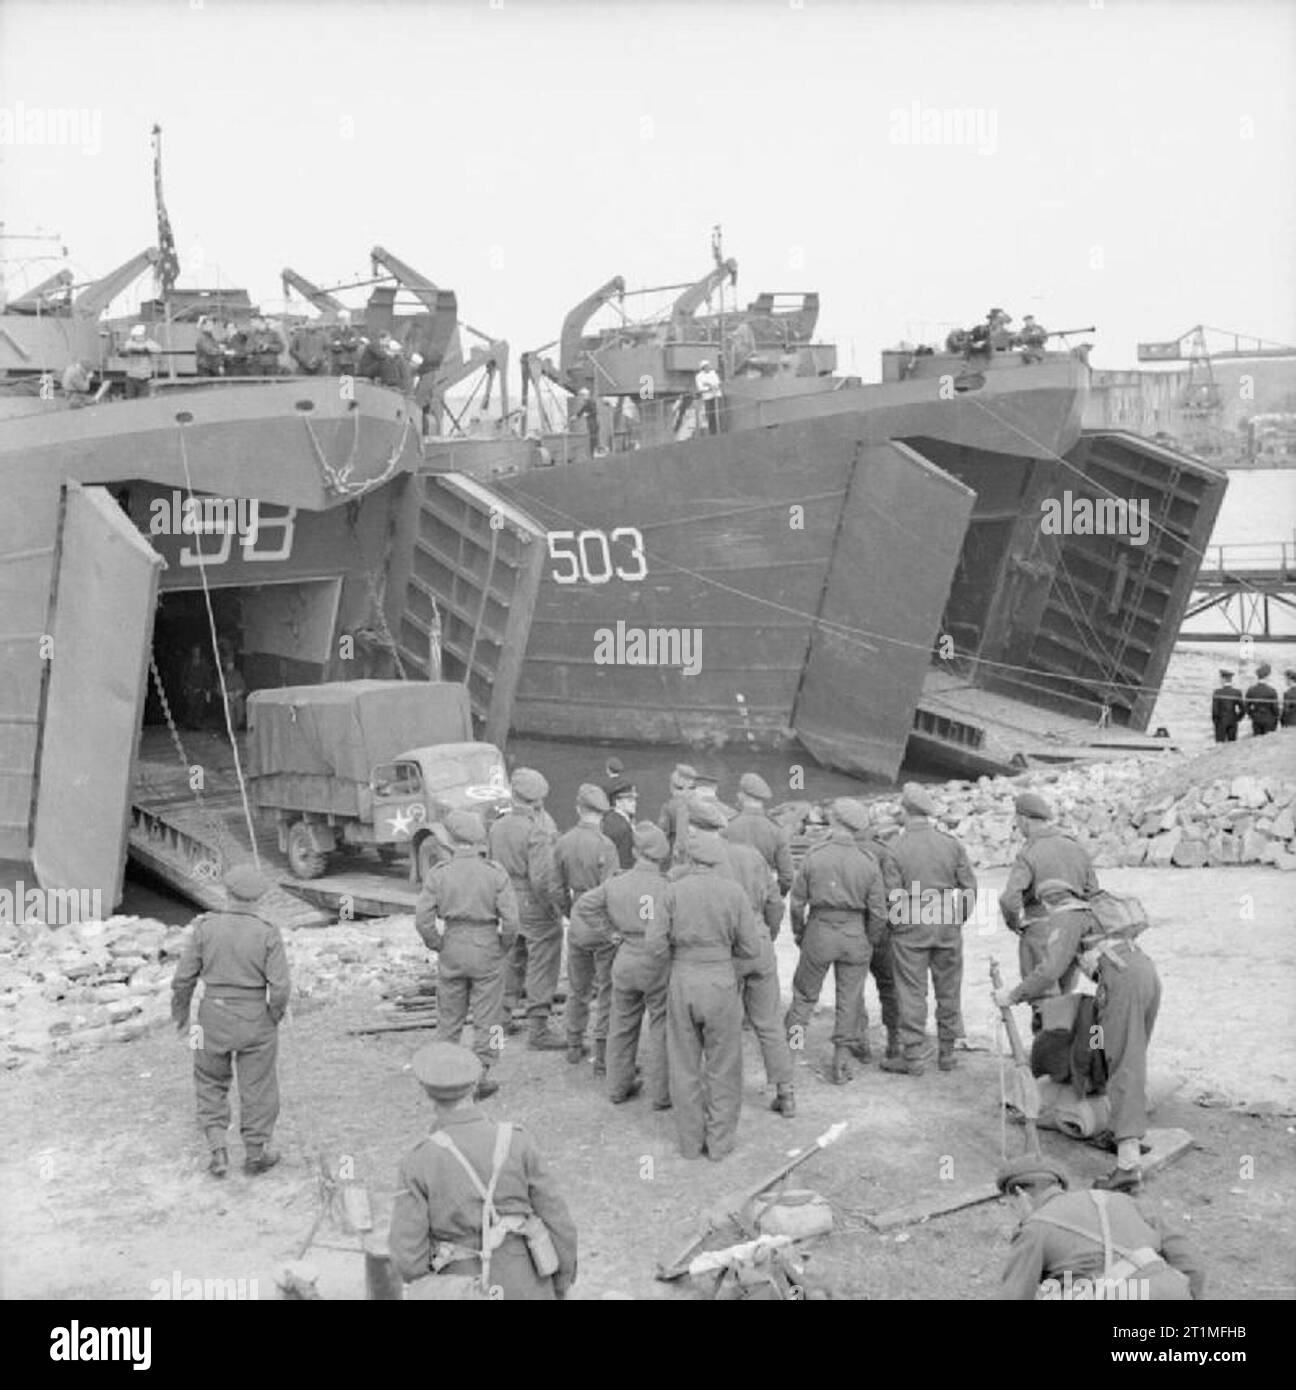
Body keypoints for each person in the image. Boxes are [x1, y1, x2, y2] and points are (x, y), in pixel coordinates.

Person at [994, 879, 1161, 1191]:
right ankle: (1121, 1133)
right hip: (1144, 973)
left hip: (1121, 983)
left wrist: (1013, 995)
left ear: (1045, 903)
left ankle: (1127, 1167)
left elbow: (1050, 970)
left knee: (1124, 1063)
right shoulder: (1088, 913)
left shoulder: (1065, 918)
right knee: (1126, 1059)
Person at [388, 1042, 578, 1300]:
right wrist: (560, 1282)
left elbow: (409, 1258)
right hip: (527, 1282)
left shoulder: (418, 1160)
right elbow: (559, 1223)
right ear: (477, 1086)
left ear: (425, 1092)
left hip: (460, 1288)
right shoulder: (518, 1141)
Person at [647, 833, 765, 1160]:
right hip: (721, 981)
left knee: (684, 1064)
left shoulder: (672, 892)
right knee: (723, 1064)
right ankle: (719, 1143)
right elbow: (751, 948)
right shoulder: (734, 893)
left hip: (683, 978)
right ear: (716, 862)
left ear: (690, 860)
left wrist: (678, 955)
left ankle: (689, 1143)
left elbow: (654, 944)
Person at [170, 863, 291, 1177]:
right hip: (255, 1018)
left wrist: (181, 1017)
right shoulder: (267, 932)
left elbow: (183, 980)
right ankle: (255, 1152)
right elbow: (280, 987)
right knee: (259, 1086)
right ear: (259, 898)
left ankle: (218, 1151)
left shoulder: (205, 928)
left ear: (226, 893)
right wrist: (273, 1016)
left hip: (211, 1015)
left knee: (209, 1080)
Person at [685, 798, 796, 1117]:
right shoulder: (752, 856)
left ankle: (722, 1094)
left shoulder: (696, 862)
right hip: (759, 944)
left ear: (695, 829)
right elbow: (775, 903)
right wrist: (766, 936)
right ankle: (786, 1092)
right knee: (769, 1021)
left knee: (723, 1025)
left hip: (724, 951)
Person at [415, 810, 519, 1100]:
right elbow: (511, 921)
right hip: (487, 945)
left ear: (450, 838)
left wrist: (437, 943)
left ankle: (443, 1073)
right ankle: (484, 1070)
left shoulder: (439, 873)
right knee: (491, 1017)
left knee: (449, 1017)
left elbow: (422, 919)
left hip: (452, 943)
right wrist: (503, 945)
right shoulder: (494, 873)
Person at [996, 1154, 1203, 1300]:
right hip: (1173, 1290)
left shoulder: (1035, 1228)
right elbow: (1189, 1259)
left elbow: (1014, 1295)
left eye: (1012, 1205)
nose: (1016, 1214)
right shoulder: (1122, 1200)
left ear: (1022, 1195)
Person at [784, 798, 887, 1085]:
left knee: (803, 997)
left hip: (819, 930)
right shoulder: (867, 861)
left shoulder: (815, 855)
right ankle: (840, 1064)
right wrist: (870, 940)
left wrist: (800, 933)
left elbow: (796, 903)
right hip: (855, 935)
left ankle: (790, 1059)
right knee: (849, 1000)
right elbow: (879, 911)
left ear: (834, 821)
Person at [571, 823, 672, 1107]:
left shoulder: (615, 883)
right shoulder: (668, 886)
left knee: (622, 1025)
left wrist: (610, 932)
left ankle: (617, 1087)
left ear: (634, 851)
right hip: (658, 961)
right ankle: (661, 1094)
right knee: (661, 1026)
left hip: (626, 957)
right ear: (662, 855)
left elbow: (583, 907)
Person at [883, 784, 977, 1076]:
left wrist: (899, 925)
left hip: (911, 925)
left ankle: (913, 1056)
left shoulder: (895, 847)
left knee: (911, 992)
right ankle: (947, 1053)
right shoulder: (950, 844)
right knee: (949, 990)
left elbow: (891, 895)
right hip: (946, 923)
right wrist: (956, 918)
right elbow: (970, 888)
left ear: (906, 810)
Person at [489, 768, 567, 1051]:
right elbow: (541, 879)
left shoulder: (497, 826)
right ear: (538, 800)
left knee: (511, 958)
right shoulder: (537, 829)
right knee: (542, 962)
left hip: (506, 899)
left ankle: (502, 1019)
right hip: (533, 902)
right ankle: (539, 1029)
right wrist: (554, 908)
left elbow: (492, 866)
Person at [998, 791, 1098, 1003]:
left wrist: (1016, 924)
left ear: (1024, 820)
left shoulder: (1029, 851)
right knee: (1065, 1005)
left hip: (1040, 932)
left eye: (1017, 821)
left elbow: (1009, 900)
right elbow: (1094, 894)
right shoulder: (1075, 847)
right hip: (1073, 934)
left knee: (1043, 1006)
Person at [553, 784, 619, 1071]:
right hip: (603, 920)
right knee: (607, 989)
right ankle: (602, 1051)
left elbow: (555, 888)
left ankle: (573, 1043)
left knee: (577, 988)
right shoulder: (606, 845)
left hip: (578, 918)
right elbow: (612, 890)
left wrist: (571, 912)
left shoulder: (563, 842)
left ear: (579, 809)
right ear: (602, 815)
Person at [850, 807, 905, 1064]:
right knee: (890, 987)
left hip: (851, 929)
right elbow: (895, 894)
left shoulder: (841, 850)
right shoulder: (884, 851)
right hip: (882, 930)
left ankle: (860, 1042)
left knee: (853, 986)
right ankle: (895, 1041)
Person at [723, 772, 794, 899]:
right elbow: (787, 876)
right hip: (762, 896)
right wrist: (775, 896)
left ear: (743, 796)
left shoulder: (728, 827)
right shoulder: (776, 830)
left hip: (732, 897)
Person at [658, 762, 699, 866]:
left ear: (672, 786)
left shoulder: (669, 806)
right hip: (699, 852)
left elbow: (663, 834)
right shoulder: (701, 805)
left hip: (678, 854)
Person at [602, 777, 637, 870]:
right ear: (617, 802)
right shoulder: (623, 827)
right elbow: (625, 861)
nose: (634, 803)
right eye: (629, 800)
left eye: (634, 800)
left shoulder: (609, 818)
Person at [120, 322, 161, 398]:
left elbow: (158, 349)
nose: (139, 337)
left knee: (143, 401)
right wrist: (141, 349)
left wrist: (146, 348)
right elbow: (128, 347)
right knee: (130, 400)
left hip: (144, 378)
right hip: (132, 377)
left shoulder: (149, 342)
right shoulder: (129, 342)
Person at [180, 643, 215, 729]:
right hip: (190, 688)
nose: (196, 653)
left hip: (201, 688)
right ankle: (189, 723)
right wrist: (184, 687)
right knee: (190, 705)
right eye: (195, 651)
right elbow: (183, 676)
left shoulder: (204, 663)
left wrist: (207, 689)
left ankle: (197, 723)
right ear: (192, 652)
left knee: (200, 706)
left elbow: (208, 677)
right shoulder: (188, 663)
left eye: (198, 651)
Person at [217, 643, 248, 732]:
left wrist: (239, 692)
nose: (231, 665)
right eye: (229, 664)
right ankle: (231, 729)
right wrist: (227, 694)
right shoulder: (223, 676)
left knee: (240, 708)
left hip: (237, 697)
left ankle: (238, 724)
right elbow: (218, 689)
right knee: (229, 713)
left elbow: (244, 687)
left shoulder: (237, 674)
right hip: (228, 699)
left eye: (232, 664)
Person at [1244, 662, 1280, 736]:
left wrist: (1252, 715)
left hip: (1256, 719)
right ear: (1267, 677)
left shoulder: (1251, 690)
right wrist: (1276, 717)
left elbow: (1246, 707)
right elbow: (1275, 708)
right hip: (1269, 719)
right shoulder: (1271, 691)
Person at [1210, 668, 1245, 742]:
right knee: (1232, 744)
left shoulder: (1217, 692)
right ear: (1231, 680)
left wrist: (1215, 722)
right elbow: (1243, 709)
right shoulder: (1237, 692)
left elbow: (1215, 710)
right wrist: (1237, 718)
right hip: (1232, 720)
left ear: (1223, 679)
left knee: (1220, 744)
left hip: (1221, 721)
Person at [327, 308, 363, 376]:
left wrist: (340, 342)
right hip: (337, 362)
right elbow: (331, 346)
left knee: (350, 383)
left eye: (348, 319)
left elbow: (355, 344)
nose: (348, 321)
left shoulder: (354, 331)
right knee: (334, 382)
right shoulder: (333, 332)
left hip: (350, 362)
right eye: (344, 319)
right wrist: (348, 343)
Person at [695, 358, 722, 435]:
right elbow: (700, 388)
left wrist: (708, 384)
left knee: (719, 414)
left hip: (716, 395)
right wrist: (709, 387)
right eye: (706, 366)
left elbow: (717, 383)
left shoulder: (713, 373)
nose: (708, 367)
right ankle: (712, 432)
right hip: (707, 397)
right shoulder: (699, 376)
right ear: (703, 367)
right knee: (710, 415)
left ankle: (719, 430)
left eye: (708, 366)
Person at [571, 387, 601, 455]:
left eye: (581, 395)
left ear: (585, 395)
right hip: (591, 423)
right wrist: (575, 417)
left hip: (593, 423)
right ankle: (593, 454)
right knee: (592, 438)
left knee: (594, 438)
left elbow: (595, 411)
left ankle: (595, 454)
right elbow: (581, 411)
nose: (580, 397)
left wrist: (587, 414)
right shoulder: (586, 403)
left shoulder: (591, 402)